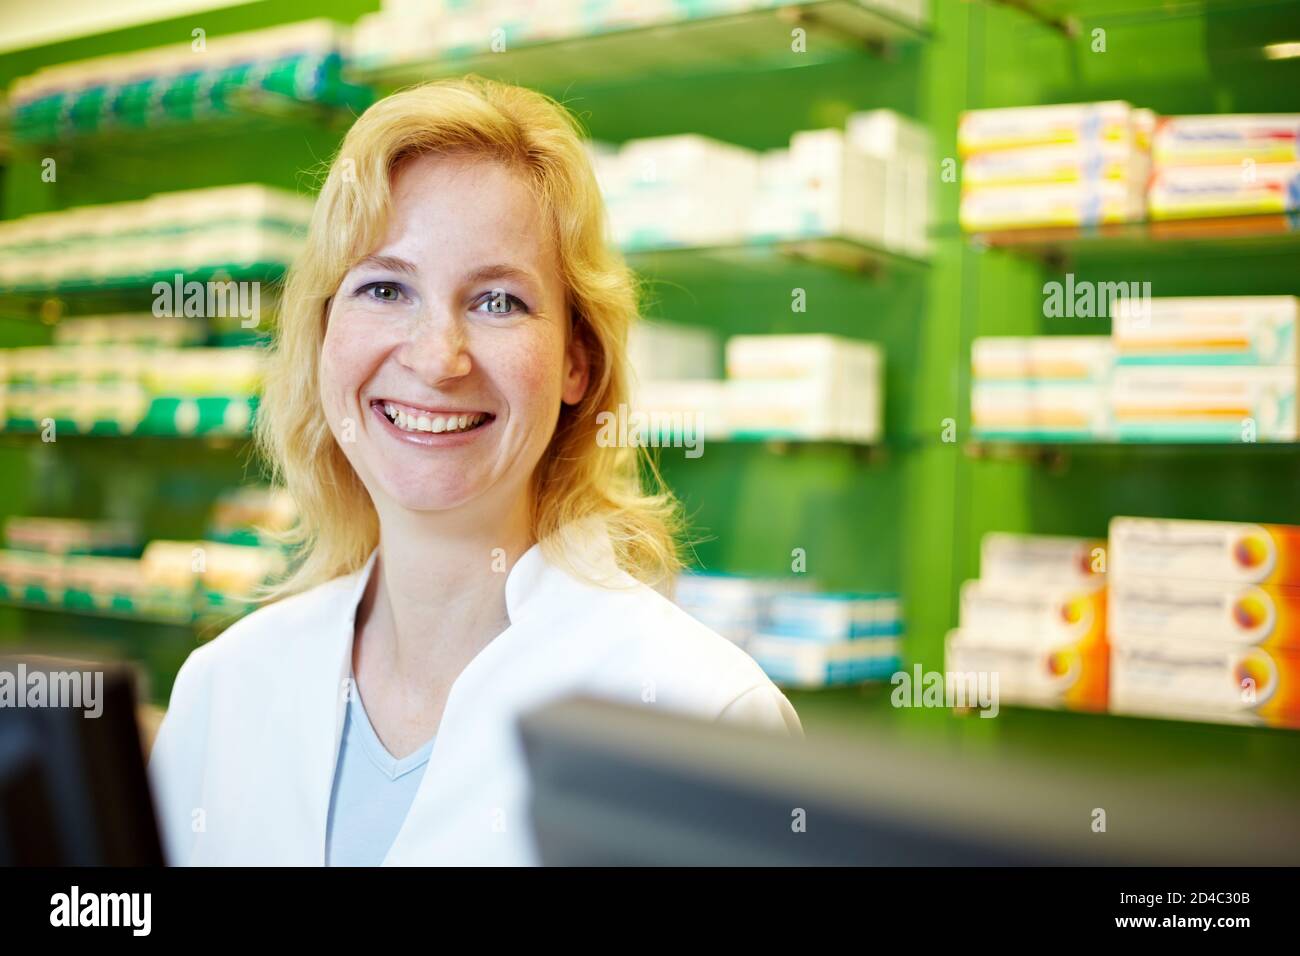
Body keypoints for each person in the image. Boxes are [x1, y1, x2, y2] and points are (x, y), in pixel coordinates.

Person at [147, 75, 802, 866]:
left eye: (497, 302)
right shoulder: (224, 686)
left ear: (576, 364)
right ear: (322, 338)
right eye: (385, 288)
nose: (437, 358)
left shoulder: (703, 716)